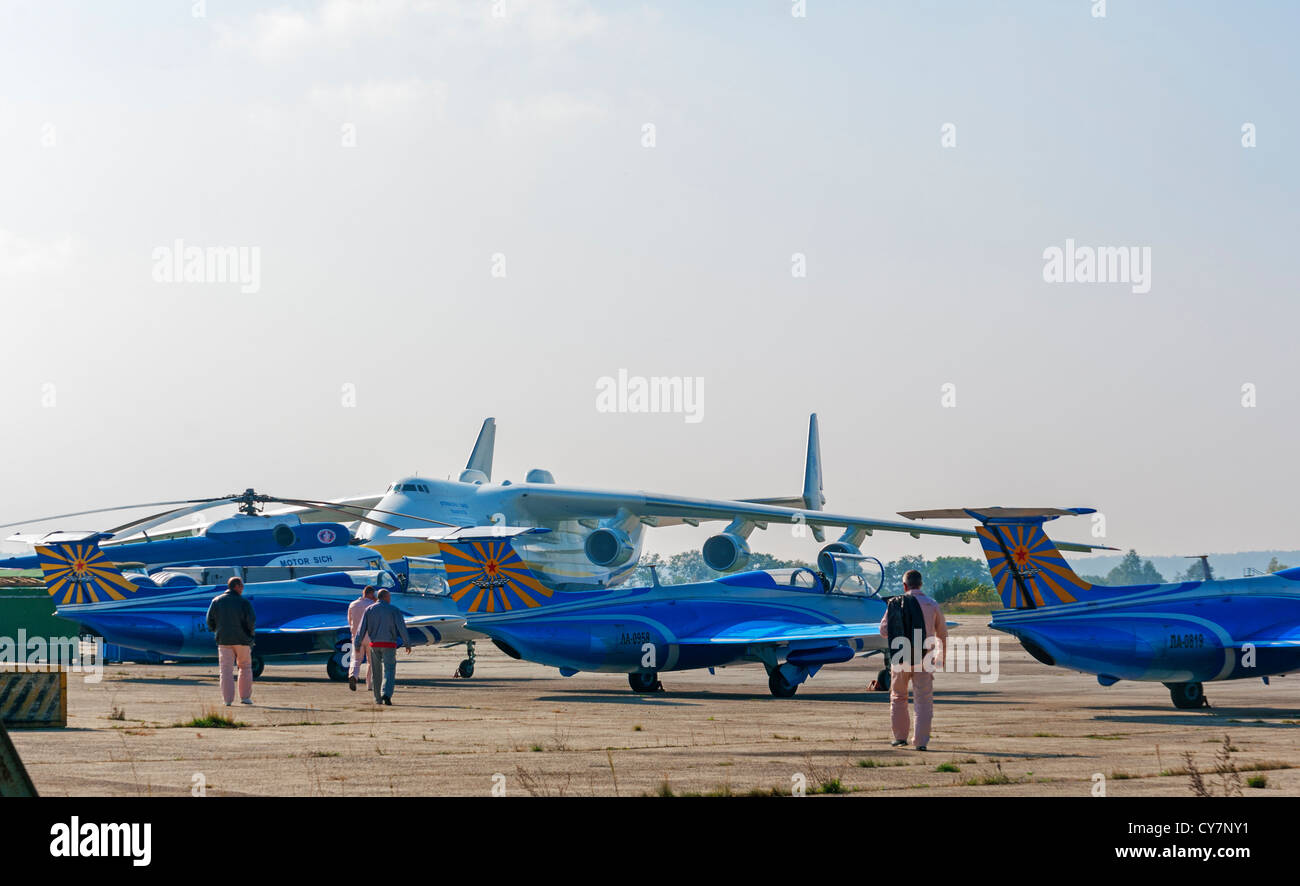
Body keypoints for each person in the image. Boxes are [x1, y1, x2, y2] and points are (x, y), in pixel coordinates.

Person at [878, 569, 947, 750]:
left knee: (898, 697)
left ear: (904, 585)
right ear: (921, 584)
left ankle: (900, 738)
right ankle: (921, 742)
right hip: (925, 657)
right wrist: (941, 658)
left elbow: (884, 631)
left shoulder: (894, 603)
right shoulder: (931, 604)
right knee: (923, 700)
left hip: (900, 657)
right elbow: (942, 634)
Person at [353, 588, 411, 705]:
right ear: (385, 597)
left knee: (376, 671)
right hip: (389, 644)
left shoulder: (369, 609)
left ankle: (377, 698)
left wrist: (357, 643)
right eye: (389, 596)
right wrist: (407, 643)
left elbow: (361, 628)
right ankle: (386, 694)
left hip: (374, 645)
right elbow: (401, 628)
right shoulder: (393, 610)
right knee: (389, 670)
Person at [205, 576, 257, 706]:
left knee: (225, 670)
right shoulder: (244, 602)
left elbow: (209, 620)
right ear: (237, 586)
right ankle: (245, 697)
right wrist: (250, 635)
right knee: (245, 667)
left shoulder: (216, 601)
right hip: (243, 641)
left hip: (223, 640)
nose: (243, 588)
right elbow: (251, 621)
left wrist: (216, 631)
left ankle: (227, 700)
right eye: (242, 585)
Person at [346, 585, 378, 691]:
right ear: (370, 594)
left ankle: (353, 676)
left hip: (356, 637)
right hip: (370, 637)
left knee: (356, 659)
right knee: (371, 661)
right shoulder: (373, 605)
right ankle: (370, 684)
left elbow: (349, 621)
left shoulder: (352, 605)